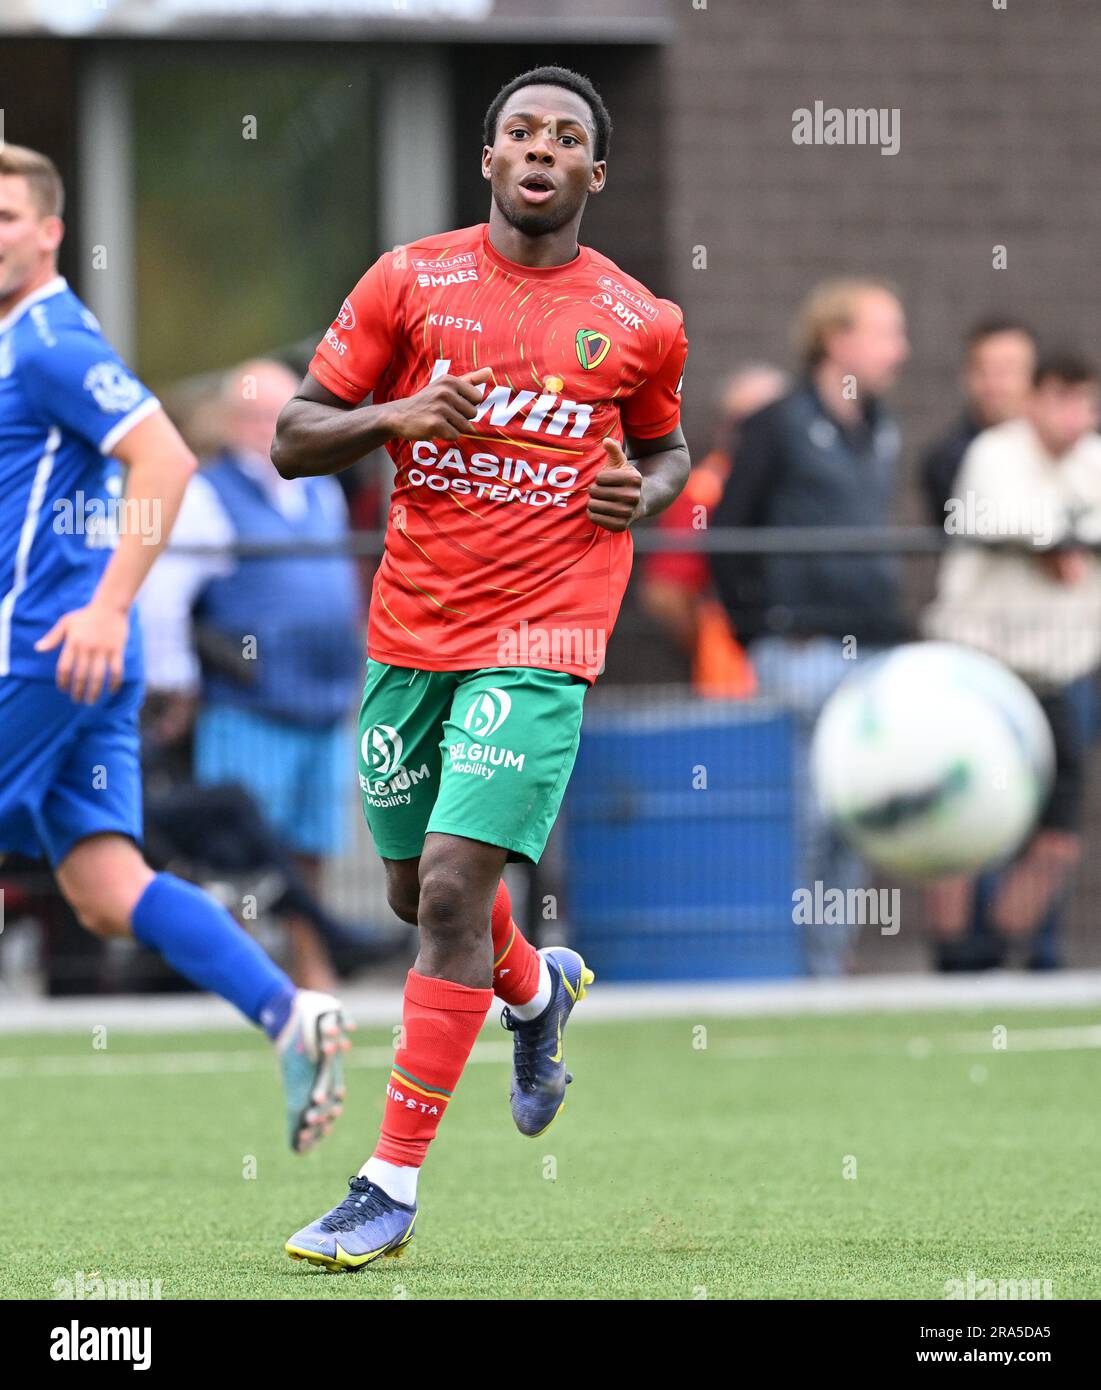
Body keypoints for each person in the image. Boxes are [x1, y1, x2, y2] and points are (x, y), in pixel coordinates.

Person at [271, 65, 690, 1269]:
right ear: (492, 160)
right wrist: (395, 422)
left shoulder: (642, 318)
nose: (542, 149)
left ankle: (387, 1183)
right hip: (411, 632)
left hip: (547, 634)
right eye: (522, 133)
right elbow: (298, 435)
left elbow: (663, 453)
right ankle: (532, 990)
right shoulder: (409, 278)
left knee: (451, 890)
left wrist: (640, 490)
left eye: (567, 137)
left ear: (594, 174)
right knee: (415, 895)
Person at [0, 144, 350, 1155]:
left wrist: (110, 606)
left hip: (50, 650)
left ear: (53, 231)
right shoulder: (22, 344)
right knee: (107, 892)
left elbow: (161, 453)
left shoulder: (52, 343)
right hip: (83, 661)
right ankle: (292, 1011)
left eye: (10, 215)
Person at [139, 358, 367, 990]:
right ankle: (244, 977)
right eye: (261, 416)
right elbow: (165, 594)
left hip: (323, 698)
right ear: (236, 422)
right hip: (249, 701)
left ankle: (313, 967)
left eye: (285, 412)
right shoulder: (209, 492)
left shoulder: (320, 487)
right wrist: (177, 680)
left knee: (309, 844)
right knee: (240, 853)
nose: (274, 427)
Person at [710, 278, 911, 975]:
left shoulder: (883, 425)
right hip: (799, 652)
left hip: (874, 652)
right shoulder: (776, 423)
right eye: (885, 332)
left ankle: (824, 970)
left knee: (858, 817)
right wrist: (757, 632)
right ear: (837, 339)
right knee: (799, 819)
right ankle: (777, 968)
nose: (900, 350)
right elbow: (726, 533)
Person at [924, 352, 1101, 969]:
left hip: (1056, 677)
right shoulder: (995, 452)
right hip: (977, 673)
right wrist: (1056, 540)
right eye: (1062, 399)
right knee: (957, 818)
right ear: (1035, 401)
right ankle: (952, 957)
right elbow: (996, 518)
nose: (1076, 416)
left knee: (1056, 839)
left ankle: (993, 953)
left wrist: (1062, 540)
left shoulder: (1092, 460)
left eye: (1086, 402)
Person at [640, 364, 787, 696]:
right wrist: (709, 638)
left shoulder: (800, 486)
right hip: (734, 682)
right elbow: (664, 592)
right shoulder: (706, 490)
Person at [921, 318, 1038, 526]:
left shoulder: (1073, 449)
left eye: (1006, 371)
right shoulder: (948, 458)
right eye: (983, 370)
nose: (994, 384)